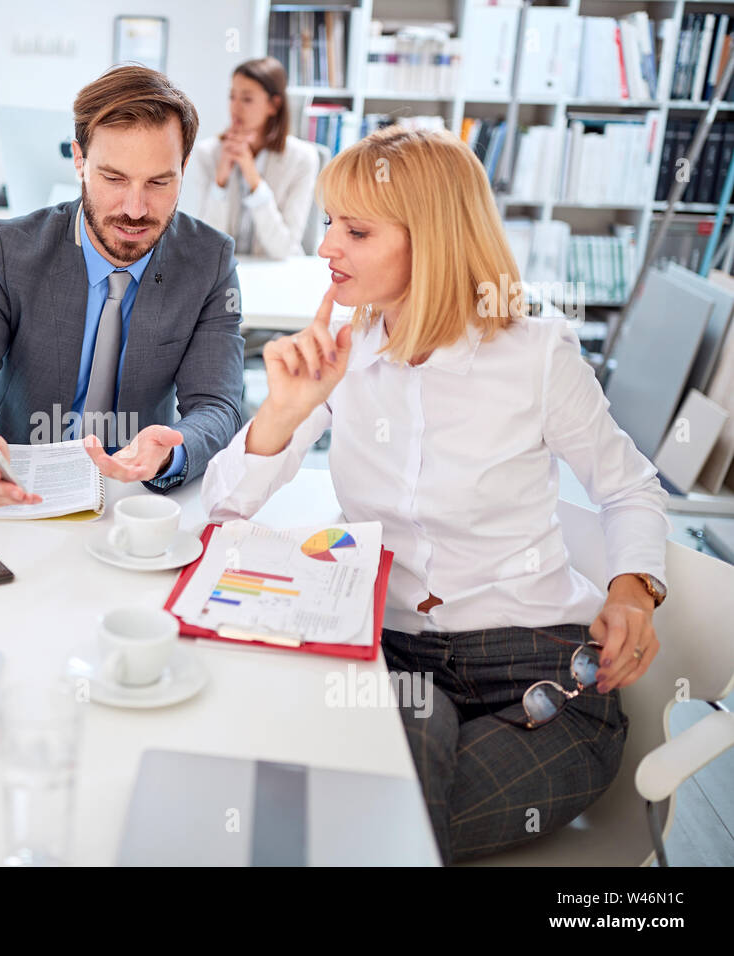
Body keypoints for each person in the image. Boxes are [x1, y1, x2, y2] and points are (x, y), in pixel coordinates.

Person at [200, 126, 669, 863]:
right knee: (391, 801)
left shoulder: (537, 355)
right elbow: (222, 511)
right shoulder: (342, 357)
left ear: (434, 240)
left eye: (354, 229)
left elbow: (630, 488)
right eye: (328, 222)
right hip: (393, 659)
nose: (325, 247)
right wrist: (283, 412)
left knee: (370, 822)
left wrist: (634, 592)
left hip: (543, 667)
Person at [0, 65, 244, 507]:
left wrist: (172, 451)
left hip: (135, 499)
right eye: (114, 178)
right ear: (79, 160)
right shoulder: (4, 251)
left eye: (159, 183)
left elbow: (219, 406)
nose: (136, 208)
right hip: (17, 491)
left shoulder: (209, 260)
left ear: (183, 168)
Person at [183, 57, 320, 258]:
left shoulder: (303, 159)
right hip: (224, 273)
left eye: (247, 99)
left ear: (274, 105)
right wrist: (220, 181)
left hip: (275, 274)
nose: (235, 108)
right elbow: (207, 245)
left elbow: (284, 250)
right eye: (232, 97)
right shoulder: (208, 153)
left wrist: (253, 179)